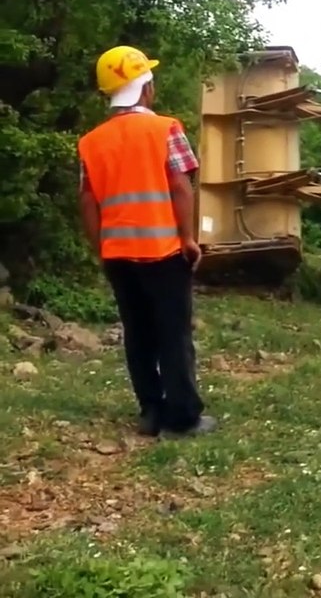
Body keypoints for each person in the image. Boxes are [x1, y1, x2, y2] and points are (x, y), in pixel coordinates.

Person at [78, 46, 215, 438]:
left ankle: (151, 411)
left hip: (118, 254)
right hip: (164, 251)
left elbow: (87, 201)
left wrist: (101, 248)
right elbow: (180, 187)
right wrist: (188, 238)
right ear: (146, 88)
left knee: (137, 334)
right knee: (173, 334)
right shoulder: (165, 129)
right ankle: (183, 417)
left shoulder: (91, 142)